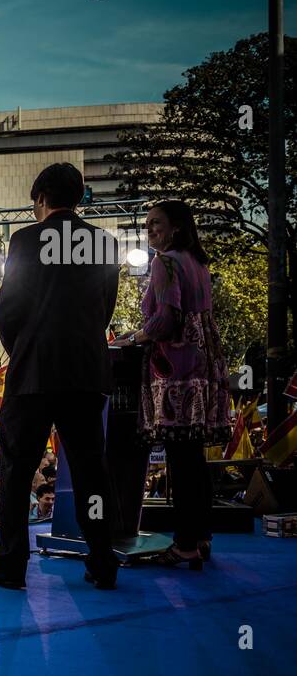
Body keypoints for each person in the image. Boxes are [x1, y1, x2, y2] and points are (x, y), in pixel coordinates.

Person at [0, 161, 120, 591]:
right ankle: (102, 559)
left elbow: (7, 311)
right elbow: (105, 308)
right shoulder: (105, 243)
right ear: (78, 198)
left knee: (16, 469)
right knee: (90, 471)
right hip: (85, 372)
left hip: (34, 374)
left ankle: (11, 565)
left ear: (41, 199)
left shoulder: (25, 240)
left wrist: (23, 349)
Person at [118, 200, 231, 568]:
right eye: (148, 224)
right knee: (193, 457)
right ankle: (201, 537)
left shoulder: (164, 262)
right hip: (204, 362)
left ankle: (184, 544)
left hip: (177, 366)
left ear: (178, 228)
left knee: (181, 459)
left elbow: (166, 319)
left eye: (157, 224)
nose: (150, 231)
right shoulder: (197, 262)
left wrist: (135, 336)